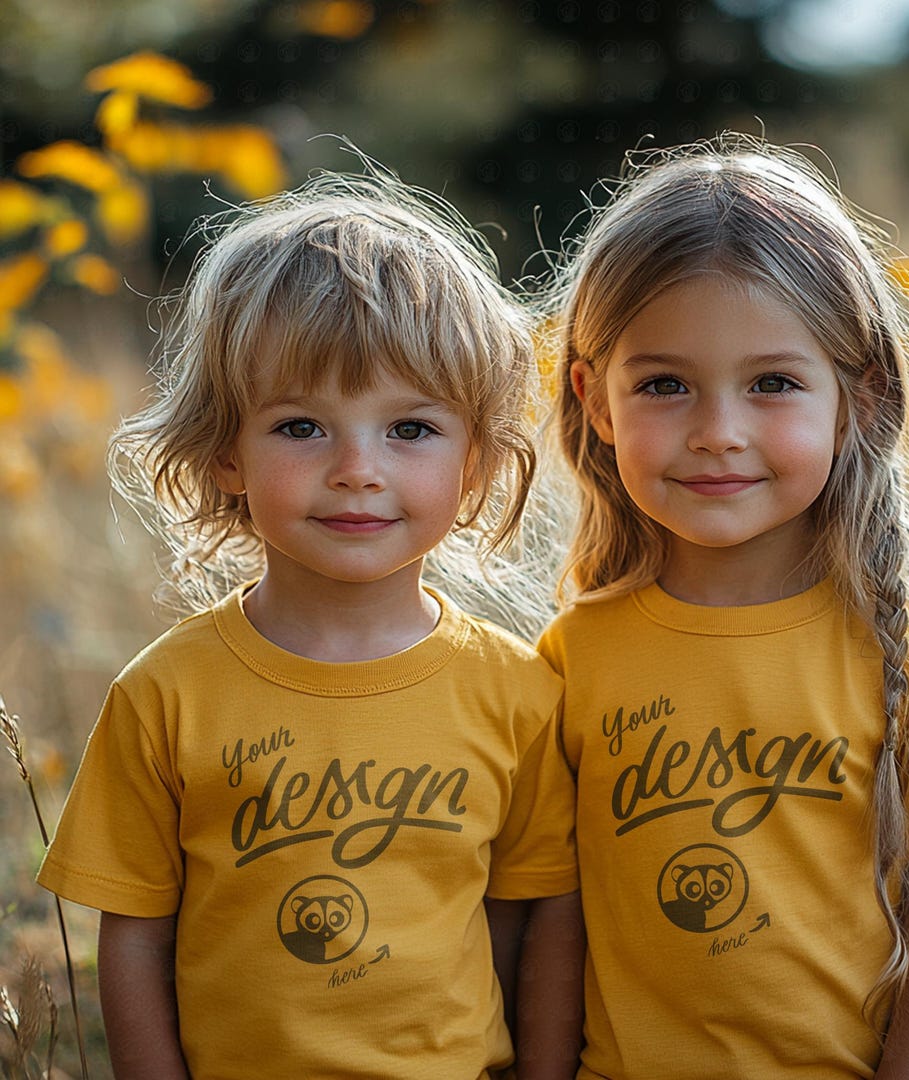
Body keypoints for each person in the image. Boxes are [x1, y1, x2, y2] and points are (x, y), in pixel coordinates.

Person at [37, 164, 582, 1080]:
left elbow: (532, 917)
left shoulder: (518, 691)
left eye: (410, 430)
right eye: (301, 428)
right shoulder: (167, 693)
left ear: (477, 461)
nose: (358, 469)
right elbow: (132, 942)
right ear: (223, 454)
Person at [536, 136, 909, 1079]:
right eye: (663, 385)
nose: (717, 433)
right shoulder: (572, 657)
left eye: (771, 383)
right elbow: (557, 914)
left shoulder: (903, 652)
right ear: (595, 402)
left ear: (861, 399)